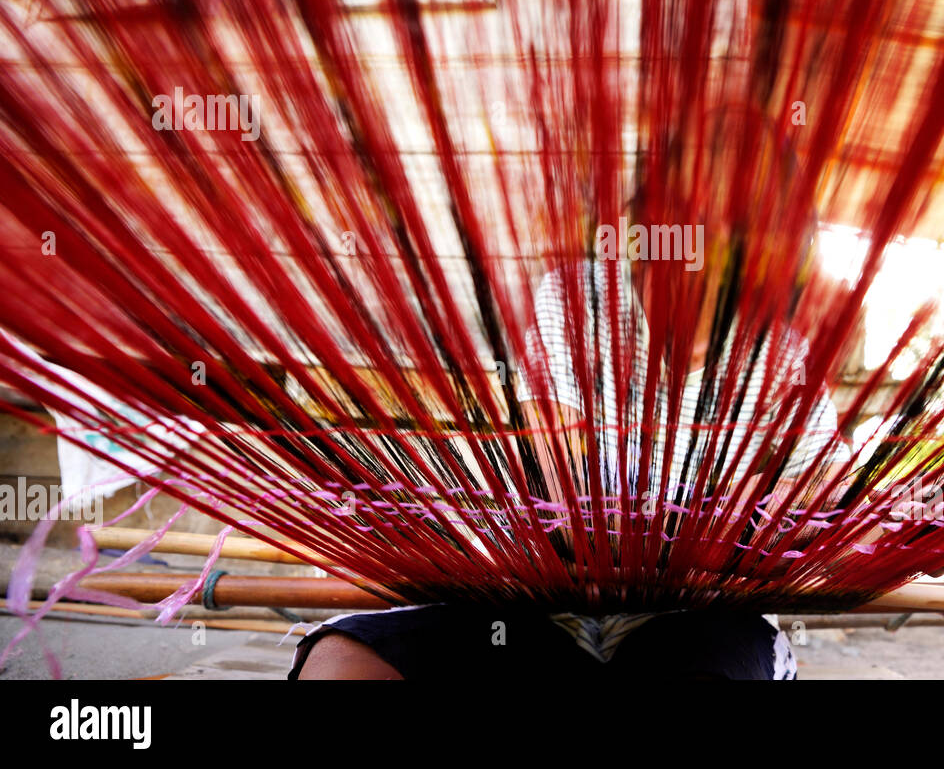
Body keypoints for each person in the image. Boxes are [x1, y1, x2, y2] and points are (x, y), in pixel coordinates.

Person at [293, 133, 854, 680]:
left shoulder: (781, 354)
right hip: (544, 601)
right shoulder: (580, 297)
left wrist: (762, 512)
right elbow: (562, 472)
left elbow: (823, 475)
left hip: (697, 616)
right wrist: (672, 535)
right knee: (344, 662)